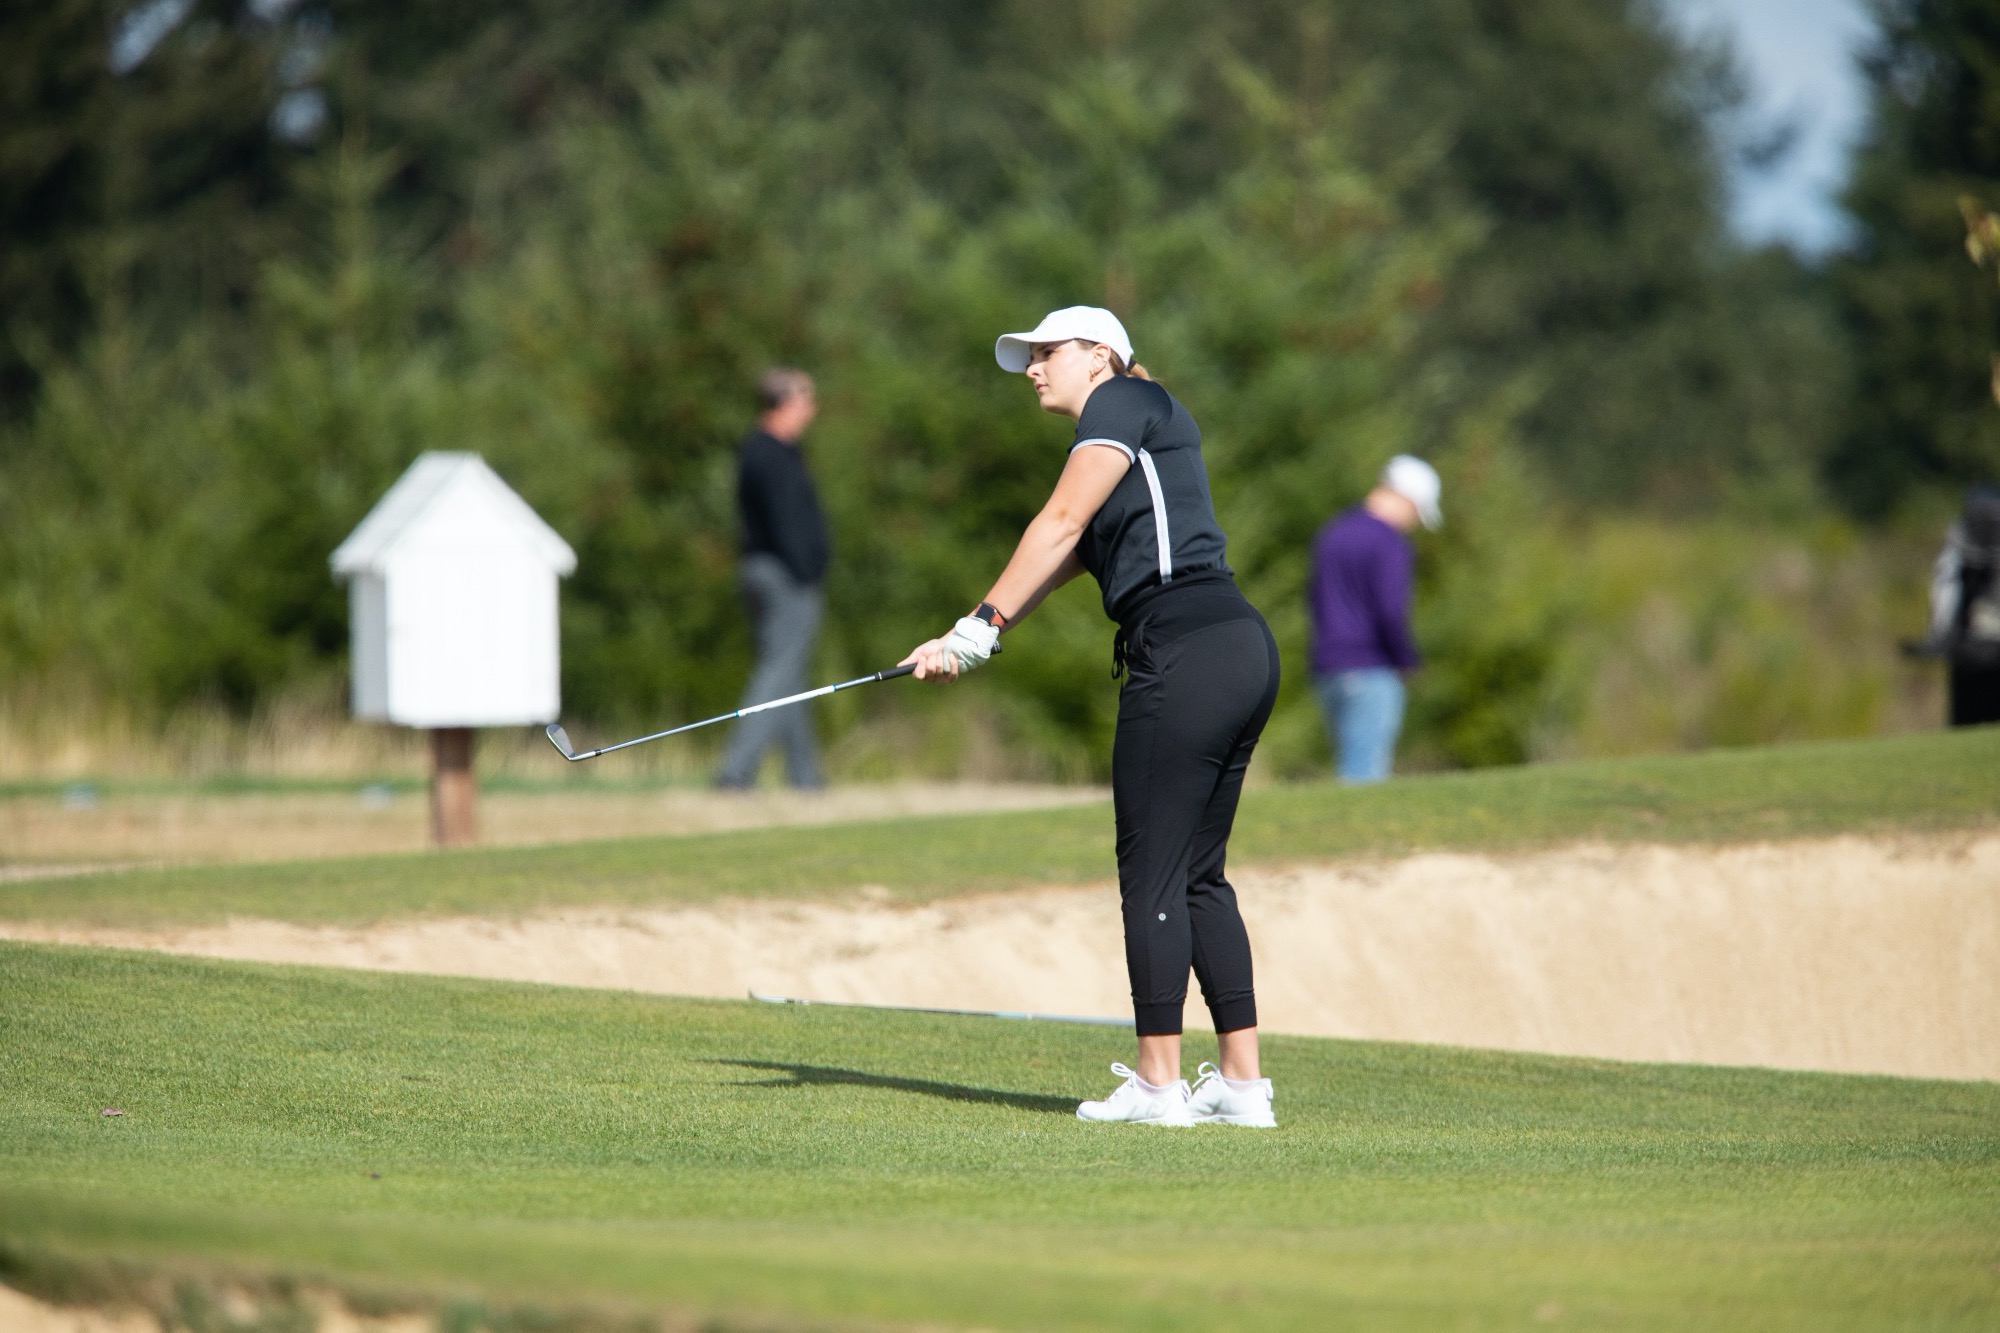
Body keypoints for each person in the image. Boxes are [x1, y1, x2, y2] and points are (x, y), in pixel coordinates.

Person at [901, 306, 1281, 1128]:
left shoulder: (1124, 402)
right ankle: (1244, 1088)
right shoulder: (1147, 439)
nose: (1034, 369)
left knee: (1151, 871)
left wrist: (979, 625)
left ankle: (1156, 1086)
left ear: (1100, 356)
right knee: (1196, 873)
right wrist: (971, 636)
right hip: (1238, 646)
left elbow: (1058, 521)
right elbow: (1071, 554)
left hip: (1183, 653)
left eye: (1047, 353)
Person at [716, 368, 830, 790]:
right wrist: (806, 570)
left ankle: (804, 778)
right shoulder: (767, 453)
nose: (812, 409)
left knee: (791, 676)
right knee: (779, 674)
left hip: (777, 571)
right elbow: (785, 524)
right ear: (785, 404)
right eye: (807, 399)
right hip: (782, 575)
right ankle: (735, 772)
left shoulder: (775, 451)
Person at [1305, 456, 1441, 783]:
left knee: (1349, 761)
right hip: (1371, 667)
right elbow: (1390, 611)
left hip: (1327, 667)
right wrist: (1406, 659)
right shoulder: (1389, 542)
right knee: (1363, 774)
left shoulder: (1333, 532)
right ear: (1407, 499)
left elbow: (1315, 598)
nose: (1414, 522)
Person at [1922, 484, 2000, 726]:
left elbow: (1945, 587)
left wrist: (1939, 635)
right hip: (1977, 653)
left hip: (1967, 656)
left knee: (1966, 723)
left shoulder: (1959, 541)